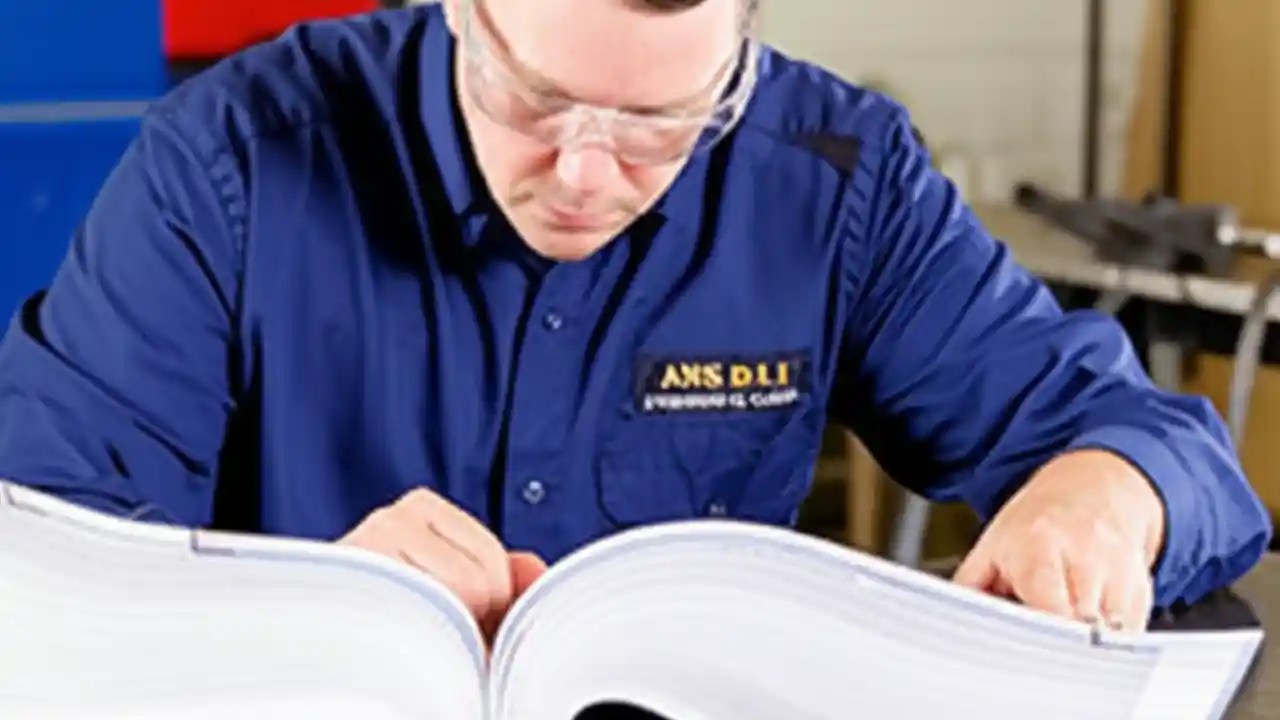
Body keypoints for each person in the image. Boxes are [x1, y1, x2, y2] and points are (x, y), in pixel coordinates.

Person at [0, 0, 1269, 641]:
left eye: (664, 126)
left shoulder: (831, 178)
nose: (589, 174)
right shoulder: (231, 164)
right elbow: (39, 571)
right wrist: (316, 613)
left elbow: (1155, 443)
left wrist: (1106, 495)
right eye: (535, 101)